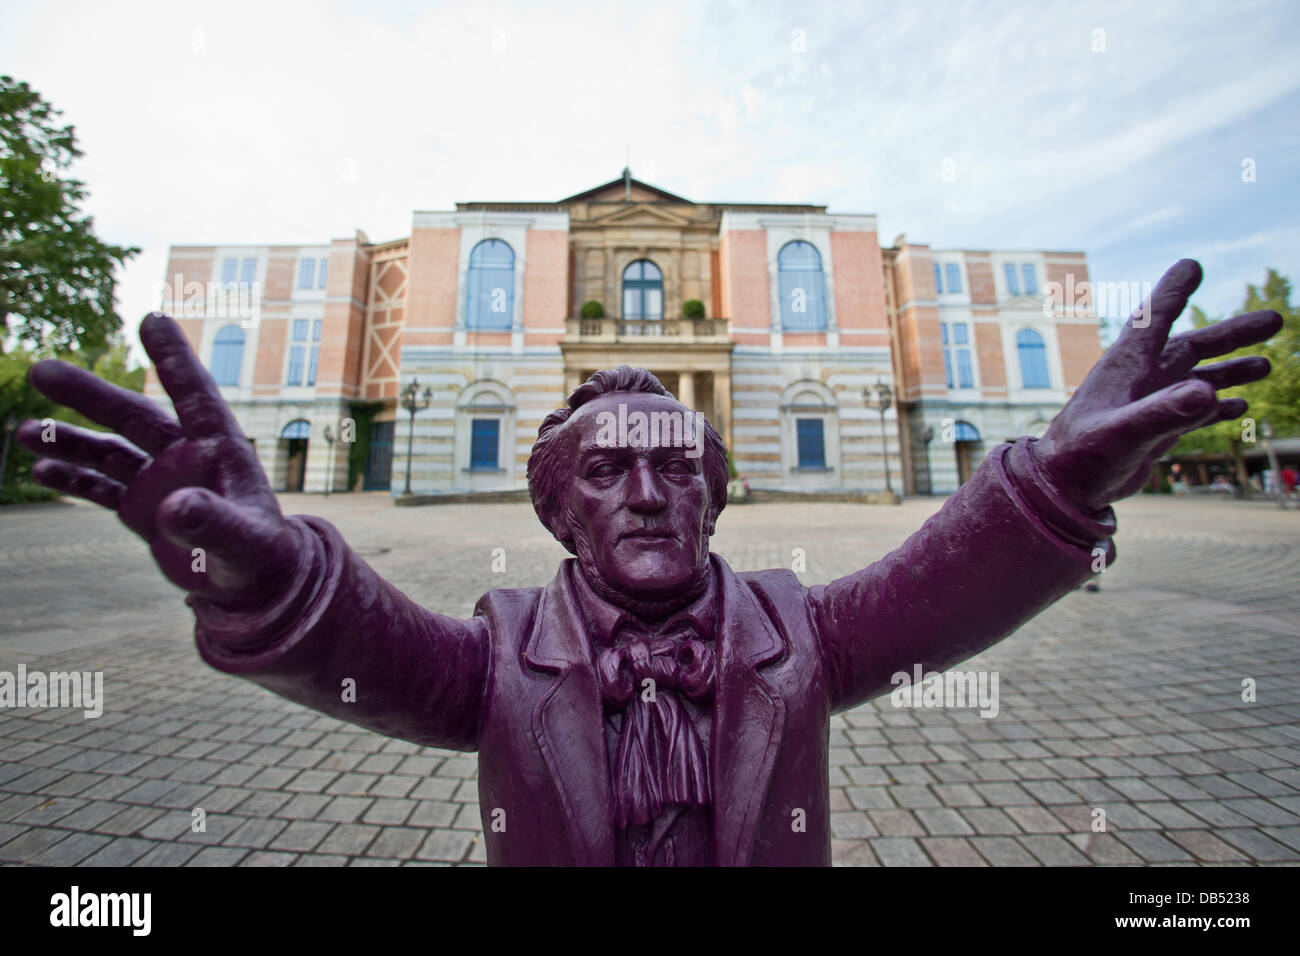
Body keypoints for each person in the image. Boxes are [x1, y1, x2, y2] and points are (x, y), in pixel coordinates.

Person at [18, 259, 1280, 866]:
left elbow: (936, 592)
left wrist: (1053, 477)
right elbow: (373, 652)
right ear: (561, 515)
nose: (645, 492)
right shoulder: (502, 649)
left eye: (677, 465)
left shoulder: (799, 629)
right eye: (607, 471)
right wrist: (271, 575)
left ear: (717, 496)